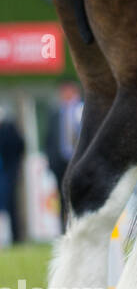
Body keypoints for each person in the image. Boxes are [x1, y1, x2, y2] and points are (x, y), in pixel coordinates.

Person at [45, 82, 83, 230]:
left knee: (80, 195)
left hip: (80, 161)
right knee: (62, 197)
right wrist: (51, 161)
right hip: (60, 163)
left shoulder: (83, 110)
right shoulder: (55, 114)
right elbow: (49, 139)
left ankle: (80, 227)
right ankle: (64, 229)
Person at [0, 106, 25, 243]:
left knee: (10, 206)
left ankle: (15, 238)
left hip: (6, 173)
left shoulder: (8, 128)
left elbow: (20, 146)